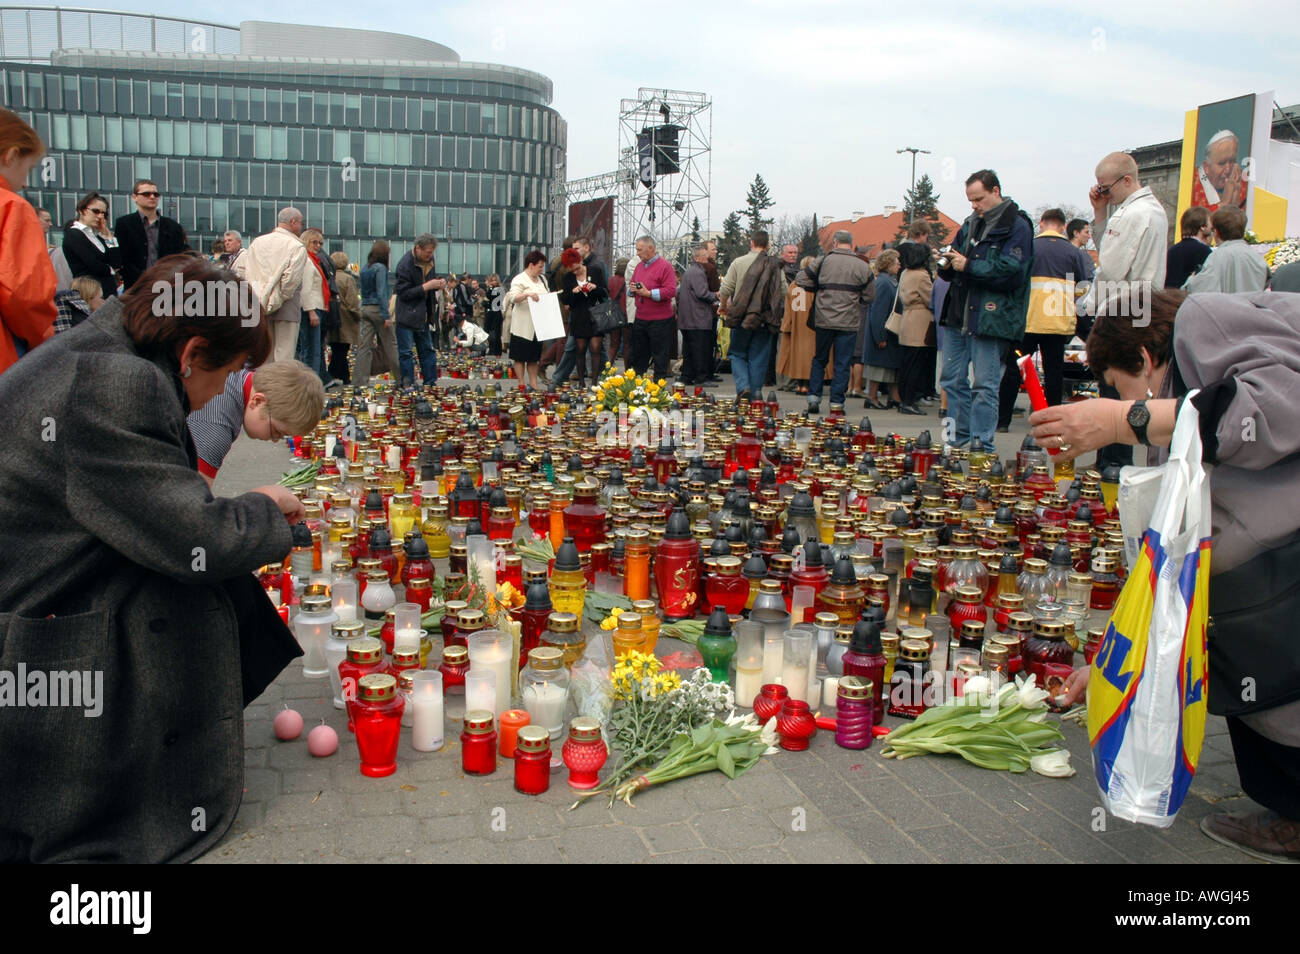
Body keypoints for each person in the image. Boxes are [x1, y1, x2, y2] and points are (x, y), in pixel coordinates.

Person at [0, 253, 306, 863]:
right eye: (230, 370)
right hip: (35, 632)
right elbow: (195, 535)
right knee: (201, 579)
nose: (224, 389)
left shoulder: (106, 348)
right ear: (192, 352)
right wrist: (267, 507)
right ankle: (160, 784)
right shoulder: (117, 384)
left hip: (37, 584)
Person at [1033, 288, 1300, 863]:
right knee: (1252, 662)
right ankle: (1286, 809)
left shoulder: (1202, 323)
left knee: (1274, 669)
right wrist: (1108, 666)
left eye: (1119, 385)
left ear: (1147, 359)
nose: (1118, 401)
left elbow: (1279, 407)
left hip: (1282, 567)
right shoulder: (1175, 390)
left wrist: (1125, 419)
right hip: (1267, 569)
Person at [1079, 152, 1167, 470]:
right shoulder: (1150, 211)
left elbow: (1111, 266)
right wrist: (1101, 213)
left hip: (1123, 310)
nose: (1104, 193)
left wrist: (1090, 305)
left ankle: (1114, 461)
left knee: (1115, 388)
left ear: (1127, 180)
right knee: (1120, 387)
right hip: (1139, 306)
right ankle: (1111, 458)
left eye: (1106, 188)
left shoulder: (1132, 214)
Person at [937, 169, 1034, 448]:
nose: (974, 205)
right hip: (959, 312)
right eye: (970, 199)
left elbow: (1013, 272)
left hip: (990, 317)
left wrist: (967, 266)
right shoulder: (970, 223)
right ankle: (956, 439)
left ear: (995, 191)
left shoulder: (1017, 226)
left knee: (985, 385)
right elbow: (958, 256)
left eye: (978, 198)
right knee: (951, 380)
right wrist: (947, 265)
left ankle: (982, 444)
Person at [998, 208, 1094, 426]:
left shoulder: (1029, 247)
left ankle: (1002, 421)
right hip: (1058, 322)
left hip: (1029, 321)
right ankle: (1051, 420)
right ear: (1063, 226)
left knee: (1014, 369)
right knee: (1054, 373)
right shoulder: (1073, 253)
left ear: (1041, 223)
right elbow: (1081, 288)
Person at [187, 359, 325, 485]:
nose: (276, 440)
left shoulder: (239, 370)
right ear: (257, 401)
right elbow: (193, 500)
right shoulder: (216, 429)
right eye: (276, 432)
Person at [0, 109, 57, 371]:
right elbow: (24, 297)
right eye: (29, 169)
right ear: (11, 156)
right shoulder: (12, 207)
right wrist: (45, 339)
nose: (24, 184)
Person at [797, 230, 876, 415]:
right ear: (851, 243)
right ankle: (837, 403)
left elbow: (801, 278)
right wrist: (857, 300)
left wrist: (819, 288)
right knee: (842, 363)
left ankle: (814, 398)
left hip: (824, 318)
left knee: (819, 359)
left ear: (834, 243)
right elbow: (871, 294)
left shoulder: (823, 261)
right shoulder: (862, 265)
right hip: (848, 321)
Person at [719, 230, 785, 402]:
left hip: (742, 316)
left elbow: (725, 289)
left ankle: (743, 387)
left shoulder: (738, 262)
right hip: (765, 318)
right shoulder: (775, 265)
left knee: (737, 353)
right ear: (768, 245)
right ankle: (755, 394)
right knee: (759, 356)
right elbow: (784, 290)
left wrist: (724, 306)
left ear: (751, 243)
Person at [245, 207, 308, 364]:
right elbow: (290, 280)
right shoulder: (296, 246)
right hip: (286, 305)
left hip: (258, 302)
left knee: (265, 353)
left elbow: (248, 272)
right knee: (284, 354)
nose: (301, 227)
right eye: (301, 223)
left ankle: (264, 386)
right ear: (293, 222)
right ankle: (280, 388)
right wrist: (277, 298)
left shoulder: (257, 243)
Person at [113, 179, 188, 292]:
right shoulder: (124, 224)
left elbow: (179, 257)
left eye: (156, 194)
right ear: (135, 197)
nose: (152, 197)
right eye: (146, 194)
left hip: (166, 287)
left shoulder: (173, 226)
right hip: (135, 287)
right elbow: (122, 257)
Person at [553, 237, 609, 388]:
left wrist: (594, 288)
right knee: (580, 349)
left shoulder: (595, 271)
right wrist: (574, 292)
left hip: (595, 315)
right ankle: (582, 383)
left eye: (578, 268)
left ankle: (596, 381)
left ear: (581, 261)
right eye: (573, 270)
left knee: (596, 347)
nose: (576, 272)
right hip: (579, 316)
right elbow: (565, 299)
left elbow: (605, 292)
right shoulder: (568, 278)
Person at [392, 234, 444, 387]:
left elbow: (429, 286)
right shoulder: (404, 265)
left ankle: (430, 382)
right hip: (407, 316)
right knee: (406, 352)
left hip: (423, 315)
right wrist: (426, 287)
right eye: (428, 252)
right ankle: (408, 385)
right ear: (418, 249)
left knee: (427, 350)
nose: (430, 255)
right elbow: (403, 293)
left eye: (432, 252)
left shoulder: (429, 261)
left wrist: (438, 284)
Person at [1184, 206, 1269, 294]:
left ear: (1216, 232)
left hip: (1226, 307)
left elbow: (1200, 290)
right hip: (1251, 306)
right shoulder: (1257, 257)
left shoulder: (1217, 257)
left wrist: (1191, 279)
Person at [627, 235, 677, 382]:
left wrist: (649, 293)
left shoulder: (665, 266)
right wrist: (632, 289)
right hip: (641, 318)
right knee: (638, 356)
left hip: (660, 320)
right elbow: (631, 285)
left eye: (639, 250)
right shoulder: (639, 266)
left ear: (651, 248)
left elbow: (670, 291)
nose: (637, 253)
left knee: (660, 356)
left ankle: (658, 389)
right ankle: (637, 388)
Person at [503, 249, 549, 390]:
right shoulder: (519, 279)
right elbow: (513, 297)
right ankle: (521, 382)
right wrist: (527, 294)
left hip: (537, 324)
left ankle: (534, 383)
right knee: (520, 357)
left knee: (534, 357)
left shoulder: (542, 279)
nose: (542, 269)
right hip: (522, 325)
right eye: (540, 266)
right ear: (531, 265)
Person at [897, 244, 935, 415]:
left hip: (907, 319)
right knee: (916, 365)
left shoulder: (905, 273)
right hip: (920, 320)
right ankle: (910, 400)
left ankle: (904, 398)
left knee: (906, 363)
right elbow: (930, 298)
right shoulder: (922, 275)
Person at [62, 191, 122, 300]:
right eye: (96, 211)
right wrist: (111, 269)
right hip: (89, 294)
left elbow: (117, 262)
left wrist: (108, 236)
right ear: (82, 211)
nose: (100, 216)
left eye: (104, 213)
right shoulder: (74, 234)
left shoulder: (98, 236)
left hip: (107, 293)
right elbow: (93, 265)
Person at [863, 250, 903, 410]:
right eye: (896, 261)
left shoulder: (888, 281)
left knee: (890, 367)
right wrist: (880, 337)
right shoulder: (884, 283)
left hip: (887, 333)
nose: (899, 264)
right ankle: (872, 397)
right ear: (888, 264)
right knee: (878, 368)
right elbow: (878, 312)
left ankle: (894, 397)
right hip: (882, 333)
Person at [356, 239, 400, 382]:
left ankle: (359, 381)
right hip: (378, 310)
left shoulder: (365, 268)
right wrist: (386, 315)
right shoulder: (380, 268)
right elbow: (381, 292)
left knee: (364, 347)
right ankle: (401, 379)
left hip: (365, 308)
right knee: (391, 345)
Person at [676, 243, 720, 386]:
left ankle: (687, 376)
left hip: (687, 318)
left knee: (689, 350)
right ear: (698, 258)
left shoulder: (689, 272)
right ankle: (701, 378)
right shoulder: (698, 272)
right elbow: (702, 293)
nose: (708, 260)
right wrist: (716, 295)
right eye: (706, 257)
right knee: (700, 349)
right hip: (697, 318)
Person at [297, 228, 331, 386]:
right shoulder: (306, 261)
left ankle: (310, 384)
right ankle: (310, 385)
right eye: (314, 242)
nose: (318, 246)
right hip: (311, 308)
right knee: (312, 349)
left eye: (320, 243)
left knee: (313, 349)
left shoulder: (311, 260)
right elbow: (306, 288)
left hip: (315, 307)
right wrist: (311, 311)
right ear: (306, 242)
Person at [1191, 130, 1248, 212]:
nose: (1228, 170)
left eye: (1232, 161)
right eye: (1222, 163)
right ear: (1206, 167)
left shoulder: (1244, 181)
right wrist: (1224, 203)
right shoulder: (1192, 184)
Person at [328, 251, 361, 384]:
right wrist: (358, 315)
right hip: (346, 319)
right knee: (342, 350)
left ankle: (345, 377)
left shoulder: (330, 277)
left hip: (331, 316)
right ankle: (331, 375)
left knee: (337, 349)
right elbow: (352, 301)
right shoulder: (348, 279)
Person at [1165, 206, 1213, 289]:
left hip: (1170, 298)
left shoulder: (1172, 250)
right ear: (1202, 226)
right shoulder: (1204, 251)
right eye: (1210, 221)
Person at [606, 260, 627, 367]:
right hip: (626, 314)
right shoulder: (629, 281)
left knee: (613, 344)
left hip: (613, 314)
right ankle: (627, 371)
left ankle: (607, 368)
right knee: (627, 344)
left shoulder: (611, 280)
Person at [483, 273, 505, 356]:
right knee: (487, 332)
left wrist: (487, 302)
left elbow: (493, 301)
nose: (493, 282)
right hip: (490, 312)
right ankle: (490, 349)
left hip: (496, 312)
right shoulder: (491, 289)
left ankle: (497, 351)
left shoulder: (499, 290)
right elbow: (487, 300)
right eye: (492, 280)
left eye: (495, 280)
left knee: (496, 333)